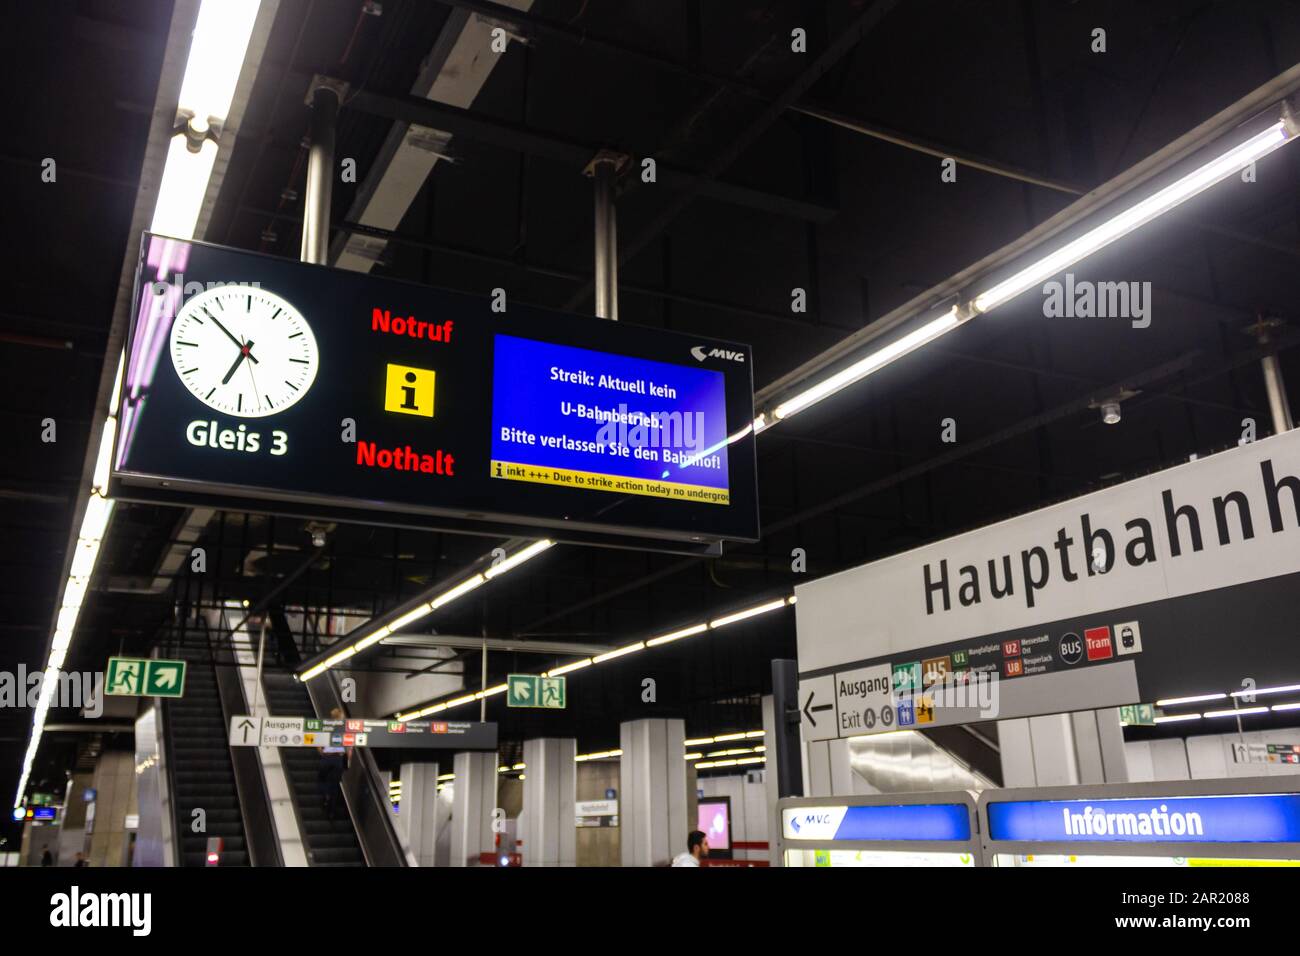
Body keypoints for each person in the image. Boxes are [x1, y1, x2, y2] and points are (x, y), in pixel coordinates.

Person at [317, 707, 350, 821]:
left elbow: (318, 742)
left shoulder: (326, 726)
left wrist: (322, 752)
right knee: (335, 785)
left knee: (321, 778)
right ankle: (331, 812)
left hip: (326, 758)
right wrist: (346, 758)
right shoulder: (345, 729)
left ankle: (325, 795)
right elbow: (349, 748)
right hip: (338, 759)